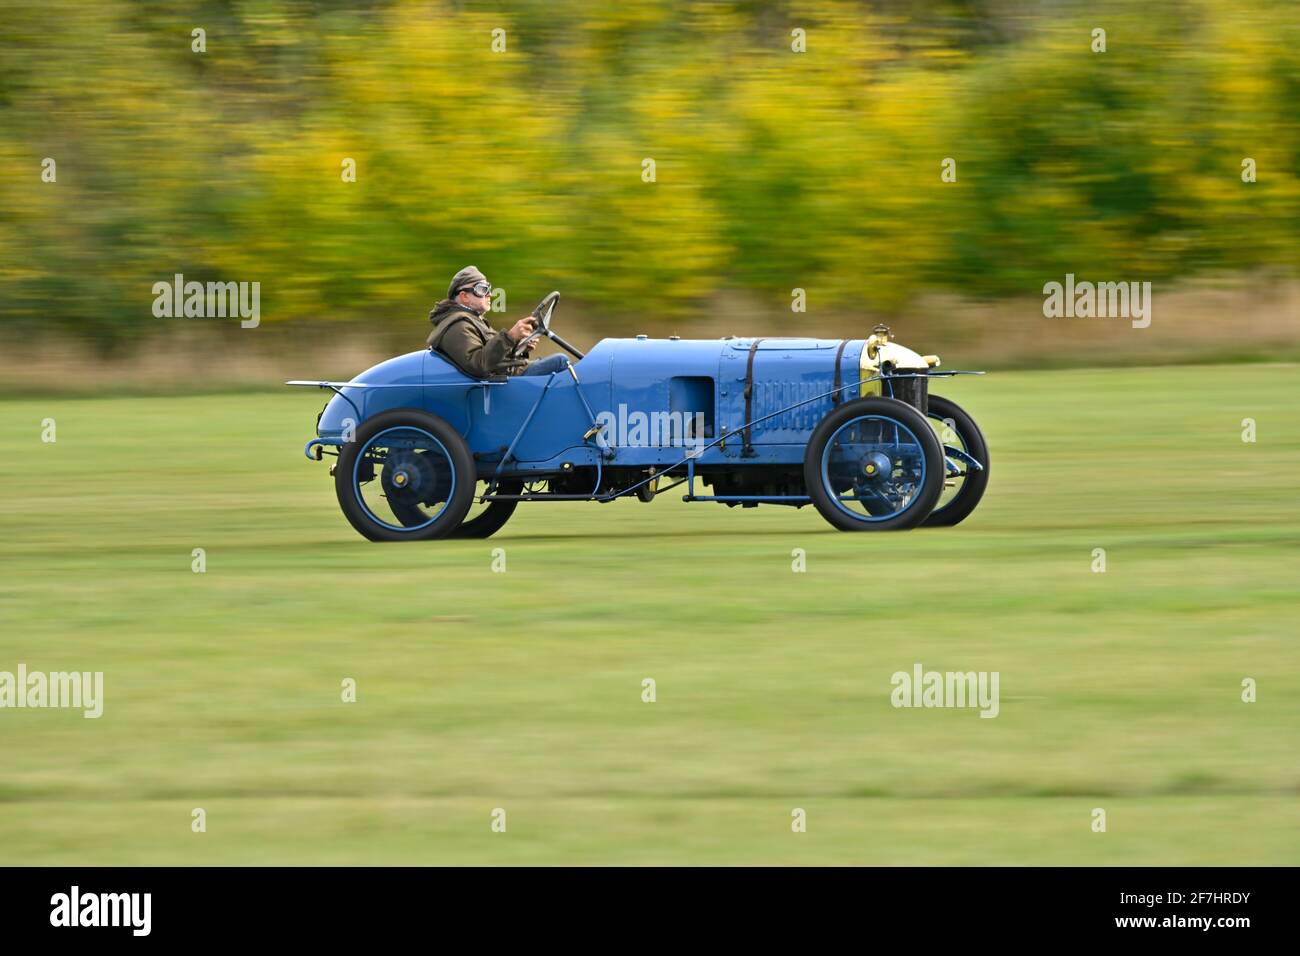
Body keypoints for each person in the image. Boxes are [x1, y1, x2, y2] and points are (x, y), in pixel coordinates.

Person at [427, 266, 570, 377]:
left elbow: (491, 356)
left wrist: (519, 346)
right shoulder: (457, 326)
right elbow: (479, 364)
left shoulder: (471, 320)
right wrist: (510, 337)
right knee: (560, 361)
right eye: (482, 289)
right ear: (464, 296)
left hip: (508, 375)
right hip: (503, 382)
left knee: (567, 365)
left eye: (489, 288)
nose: (490, 294)